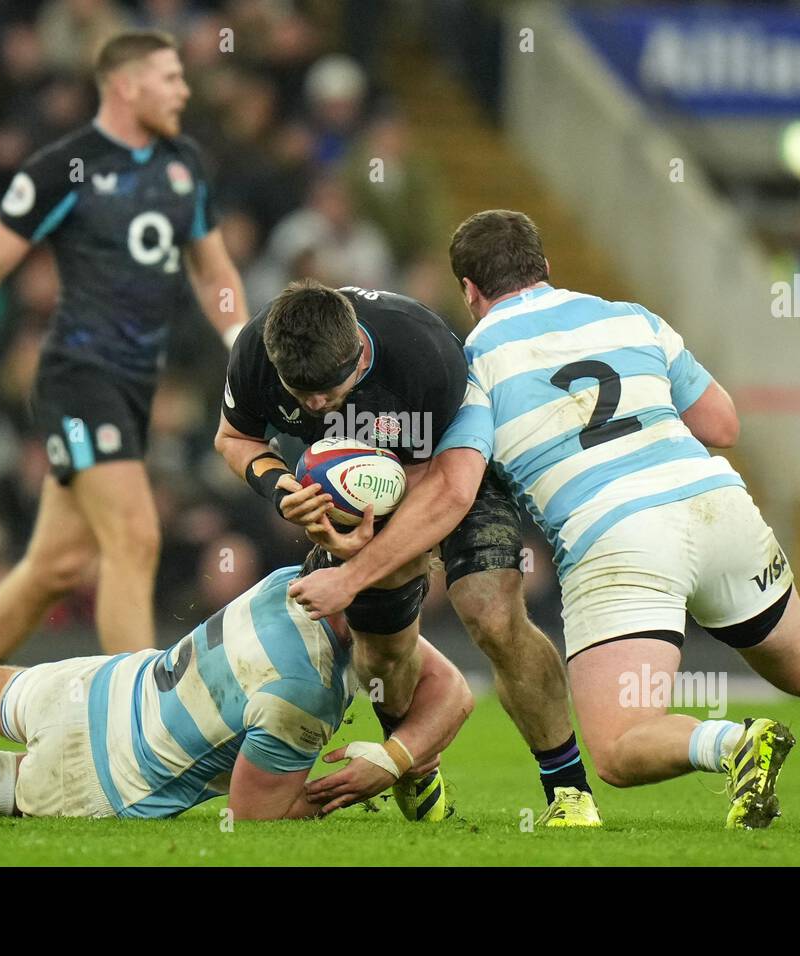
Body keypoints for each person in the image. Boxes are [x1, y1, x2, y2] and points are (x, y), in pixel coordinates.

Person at [290, 209, 800, 832]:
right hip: (718, 507)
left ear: (469, 292)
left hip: (619, 539)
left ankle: (731, 744)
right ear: (547, 266)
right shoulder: (630, 317)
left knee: (619, 749)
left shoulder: (474, 360)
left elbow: (459, 483)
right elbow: (721, 423)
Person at [0, 32, 250, 751]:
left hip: (133, 390)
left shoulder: (185, 166)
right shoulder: (63, 170)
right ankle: (138, 729)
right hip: (78, 380)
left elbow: (213, 270)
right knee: (135, 537)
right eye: (170, 77)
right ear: (126, 86)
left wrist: (242, 342)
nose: (184, 90)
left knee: (54, 567)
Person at [214, 278, 599, 826]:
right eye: (303, 396)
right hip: (366, 484)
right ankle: (414, 768)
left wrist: (352, 574)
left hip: (451, 468)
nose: (318, 404)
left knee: (493, 616)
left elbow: (442, 492)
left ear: (359, 354)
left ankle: (569, 790)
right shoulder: (256, 351)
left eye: (329, 389)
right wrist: (284, 493)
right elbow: (234, 439)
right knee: (382, 653)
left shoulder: (421, 353)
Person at [0, 552, 473, 821]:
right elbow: (259, 815)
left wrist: (398, 755)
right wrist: (344, 792)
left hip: (104, 686)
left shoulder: (291, 583)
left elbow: (451, 691)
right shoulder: (306, 692)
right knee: (6, 787)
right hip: (110, 778)